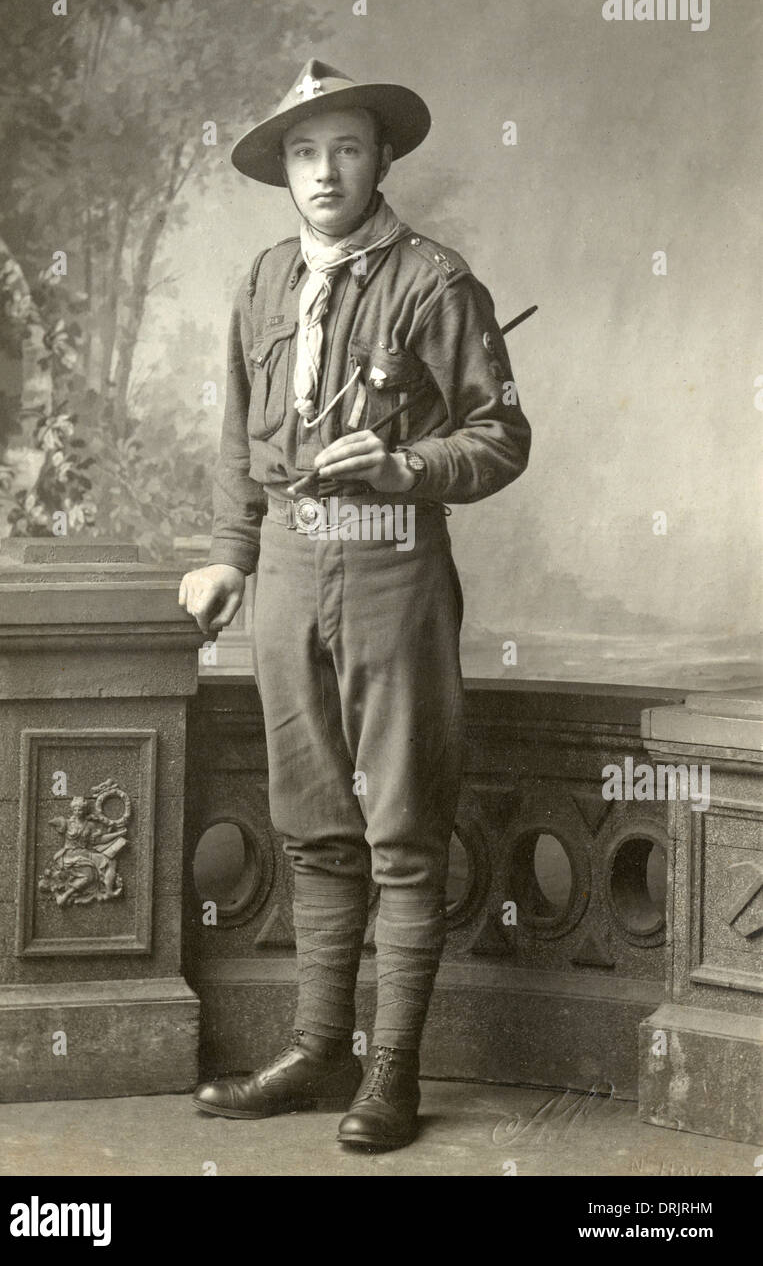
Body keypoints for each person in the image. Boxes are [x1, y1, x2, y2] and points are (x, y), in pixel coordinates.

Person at [179, 58, 531, 1151]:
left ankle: (392, 1073)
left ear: (380, 159)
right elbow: (242, 441)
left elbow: (499, 437)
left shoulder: (434, 281)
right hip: (287, 566)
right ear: (282, 170)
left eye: (342, 147)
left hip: (389, 564)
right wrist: (231, 554)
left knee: (400, 831)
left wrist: (400, 470)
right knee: (314, 823)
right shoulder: (260, 280)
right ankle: (316, 1044)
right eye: (300, 151)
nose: (322, 171)